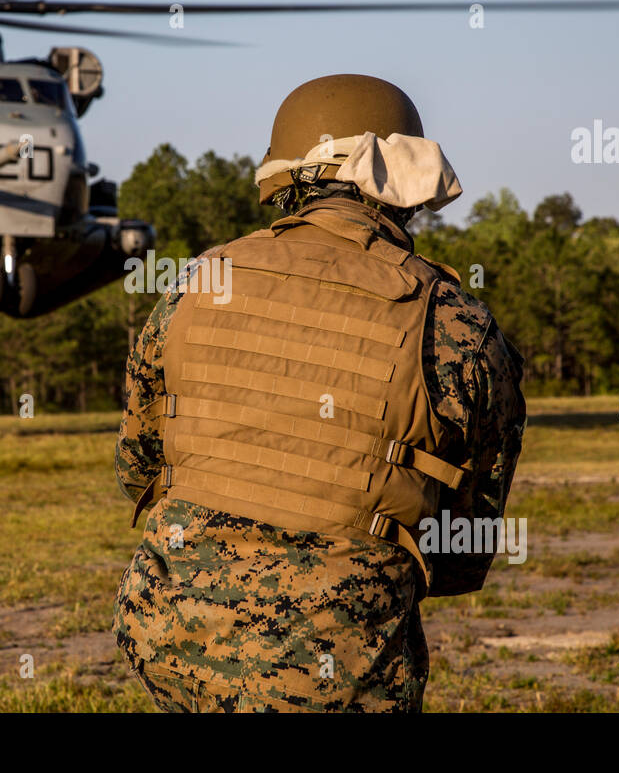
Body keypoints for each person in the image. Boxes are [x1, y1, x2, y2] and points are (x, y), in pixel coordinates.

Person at [113, 73, 527, 712]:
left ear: (289, 175)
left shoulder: (197, 283)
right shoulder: (454, 320)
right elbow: (465, 546)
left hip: (168, 640)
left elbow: (137, 468)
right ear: (405, 181)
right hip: (337, 670)